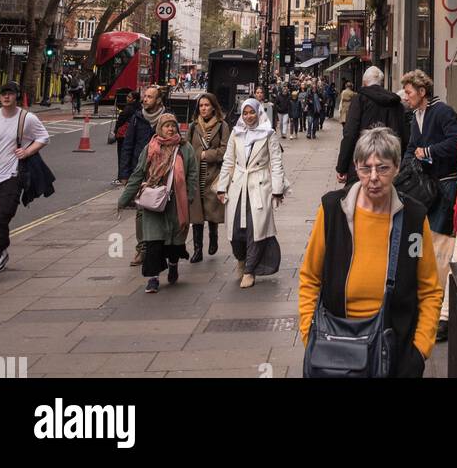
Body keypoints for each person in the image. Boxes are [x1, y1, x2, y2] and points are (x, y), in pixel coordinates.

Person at [299, 126, 443, 378]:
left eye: (383, 167)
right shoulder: (332, 210)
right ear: (356, 167)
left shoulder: (414, 219)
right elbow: (310, 277)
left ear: (397, 167)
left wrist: (420, 349)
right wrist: (309, 333)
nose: (374, 177)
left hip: (395, 352)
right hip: (335, 346)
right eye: (366, 168)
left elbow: (429, 289)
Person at [118, 112, 198, 293]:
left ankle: (173, 265)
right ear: (159, 128)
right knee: (153, 241)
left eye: (173, 125)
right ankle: (153, 279)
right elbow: (138, 173)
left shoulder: (185, 149)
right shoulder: (150, 148)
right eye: (166, 126)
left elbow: (192, 174)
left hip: (176, 201)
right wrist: (124, 199)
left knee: (174, 243)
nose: (170, 129)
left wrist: (189, 196)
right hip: (153, 201)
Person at [0, 82, 51, 284]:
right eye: (3, 93)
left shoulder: (26, 118)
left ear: (17, 96)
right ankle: (1, 252)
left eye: (10, 94)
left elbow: (44, 137)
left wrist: (27, 151)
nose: (6, 97)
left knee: (1, 218)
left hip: (13, 176)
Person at [217, 97, 286, 288]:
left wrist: (277, 190)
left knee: (256, 230)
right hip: (238, 185)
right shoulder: (236, 133)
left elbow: (277, 162)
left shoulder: (268, 134)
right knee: (235, 231)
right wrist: (222, 187)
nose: (248, 116)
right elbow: (228, 161)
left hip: (259, 185)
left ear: (259, 112)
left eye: (252, 112)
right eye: (245, 113)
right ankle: (241, 259)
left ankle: (250, 270)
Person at [402, 69, 457, 236]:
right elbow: (412, 146)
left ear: (422, 92)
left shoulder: (442, 111)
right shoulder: (416, 115)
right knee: (425, 234)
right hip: (428, 186)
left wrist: (428, 151)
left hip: (446, 183)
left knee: (435, 235)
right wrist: (404, 168)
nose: (406, 97)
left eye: (409, 92)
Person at [336, 66, 412, 183]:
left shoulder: (359, 100)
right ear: (381, 83)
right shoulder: (395, 103)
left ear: (364, 82)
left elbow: (350, 134)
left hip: (363, 163)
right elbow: (404, 136)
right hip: (388, 164)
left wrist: (342, 167)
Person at [118, 84, 166, 266]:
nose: (145, 99)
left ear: (158, 100)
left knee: (160, 209)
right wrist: (124, 173)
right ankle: (142, 249)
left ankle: (159, 247)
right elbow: (127, 146)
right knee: (141, 211)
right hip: (140, 171)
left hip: (161, 172)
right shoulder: (137, 118)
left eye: (150, 97)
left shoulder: (166, 119)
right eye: (145, 96)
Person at [188, 92, 230, 262]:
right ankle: (197, 249)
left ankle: (213, 237)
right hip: (196, 176)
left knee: (212, 213)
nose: (203, 108)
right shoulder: (193, 126)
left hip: (213, 176)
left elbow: (225, 150)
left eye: (206, 105)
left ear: (213, 107)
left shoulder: (222, 126)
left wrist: (207, 155)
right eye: (201, 106)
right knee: (196, 215)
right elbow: (188, 149)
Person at [113, 90, 141, 177]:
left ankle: (121, 176)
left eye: (129, 97)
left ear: (134, 100)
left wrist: (116, 130)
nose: (127, 98)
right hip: (134, 135)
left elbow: (120, 122)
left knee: (122, 156)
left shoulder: (128, 109)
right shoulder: (140, 108)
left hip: (123, 136)